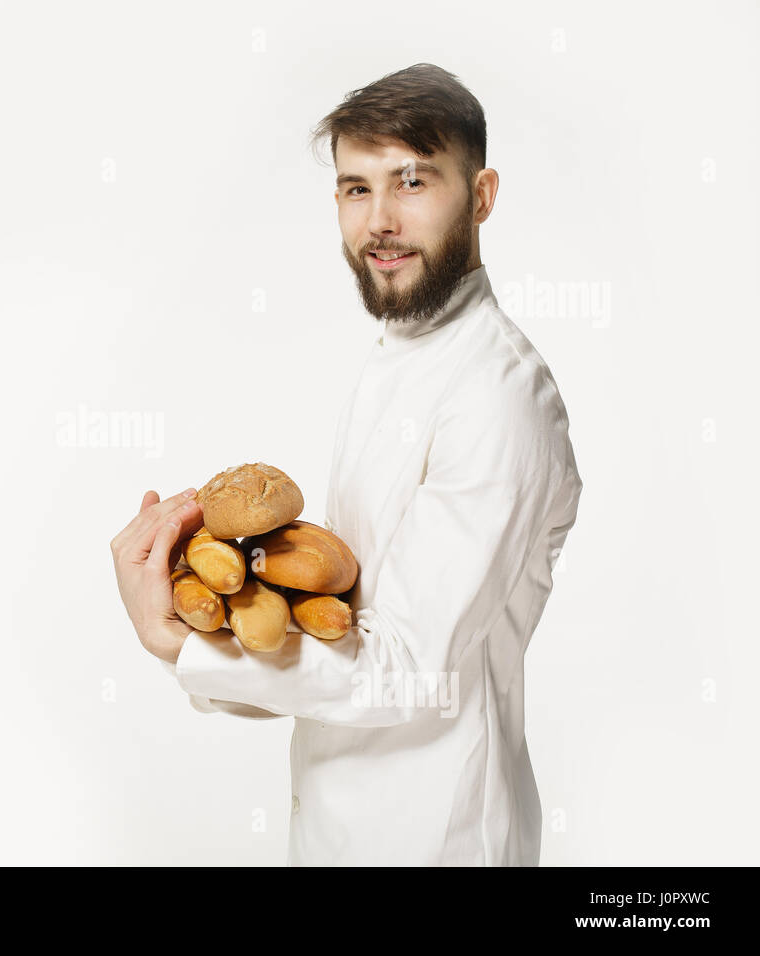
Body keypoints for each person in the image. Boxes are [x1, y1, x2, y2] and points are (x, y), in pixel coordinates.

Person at [109, 63, 582, 866]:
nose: (381, 221)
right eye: (356, 188)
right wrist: (205, 619)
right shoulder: (401, 354)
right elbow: (341, 632)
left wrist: (170, 644)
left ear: (483, 196)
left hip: (442, 842)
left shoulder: (499, 395)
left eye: (412, 181)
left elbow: (400, 670)